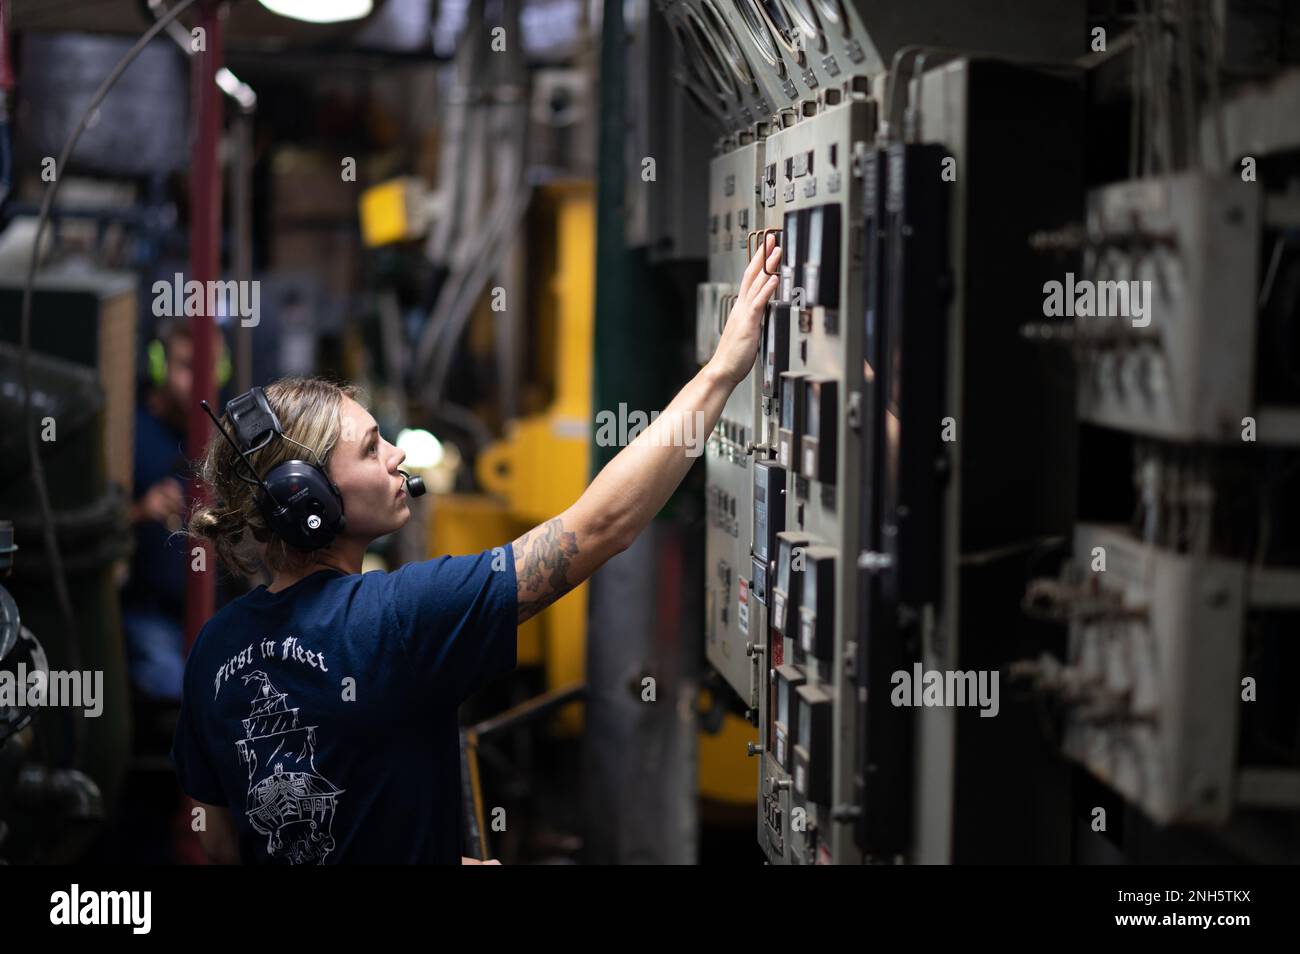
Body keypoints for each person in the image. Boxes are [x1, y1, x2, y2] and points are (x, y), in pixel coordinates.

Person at [170, 237, 782, 864]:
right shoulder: (396, 617)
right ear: (308, 499)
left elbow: (214, 843)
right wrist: (722, 371)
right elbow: (602, 527)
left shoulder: (215, 648)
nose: (396, 456)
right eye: (371, 447)